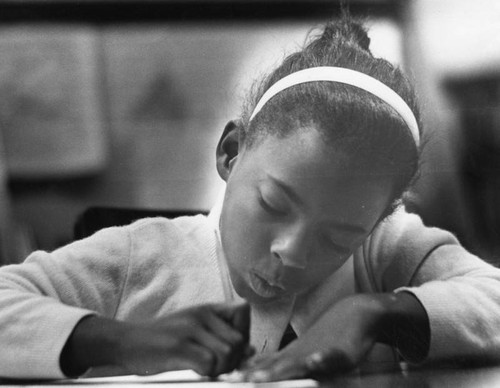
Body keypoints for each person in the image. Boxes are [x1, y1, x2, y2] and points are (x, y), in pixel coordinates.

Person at [1, 15, 500, 381]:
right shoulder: (140, 255)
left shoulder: (384, 251)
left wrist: (377, 313)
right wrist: (118, 340)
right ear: (231, 152)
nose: (293, 251)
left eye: (339, 236)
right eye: (273, 204)